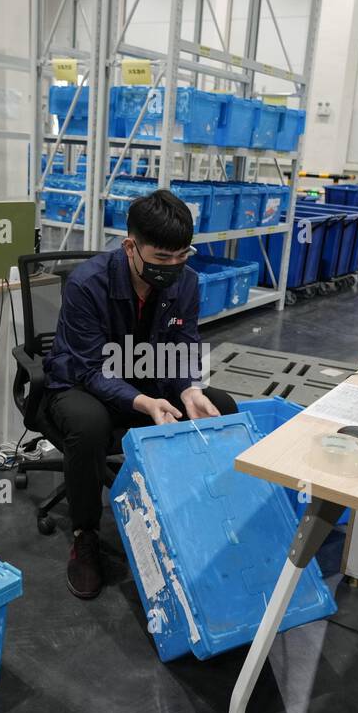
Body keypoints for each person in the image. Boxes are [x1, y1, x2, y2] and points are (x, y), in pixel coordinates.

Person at [42, 189, 238, 599]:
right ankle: (86, 536)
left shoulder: (187, 281)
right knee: (89, 424)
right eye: (161, 258)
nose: (173, 266)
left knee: (220, 406)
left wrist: (188, 389)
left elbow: (184, 345)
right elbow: (90, 368)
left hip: (150, 381)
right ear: (130, 246)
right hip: (81, 383)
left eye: (182, 255)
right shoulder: (86, 284)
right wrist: (144, 402)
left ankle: (191, 518)